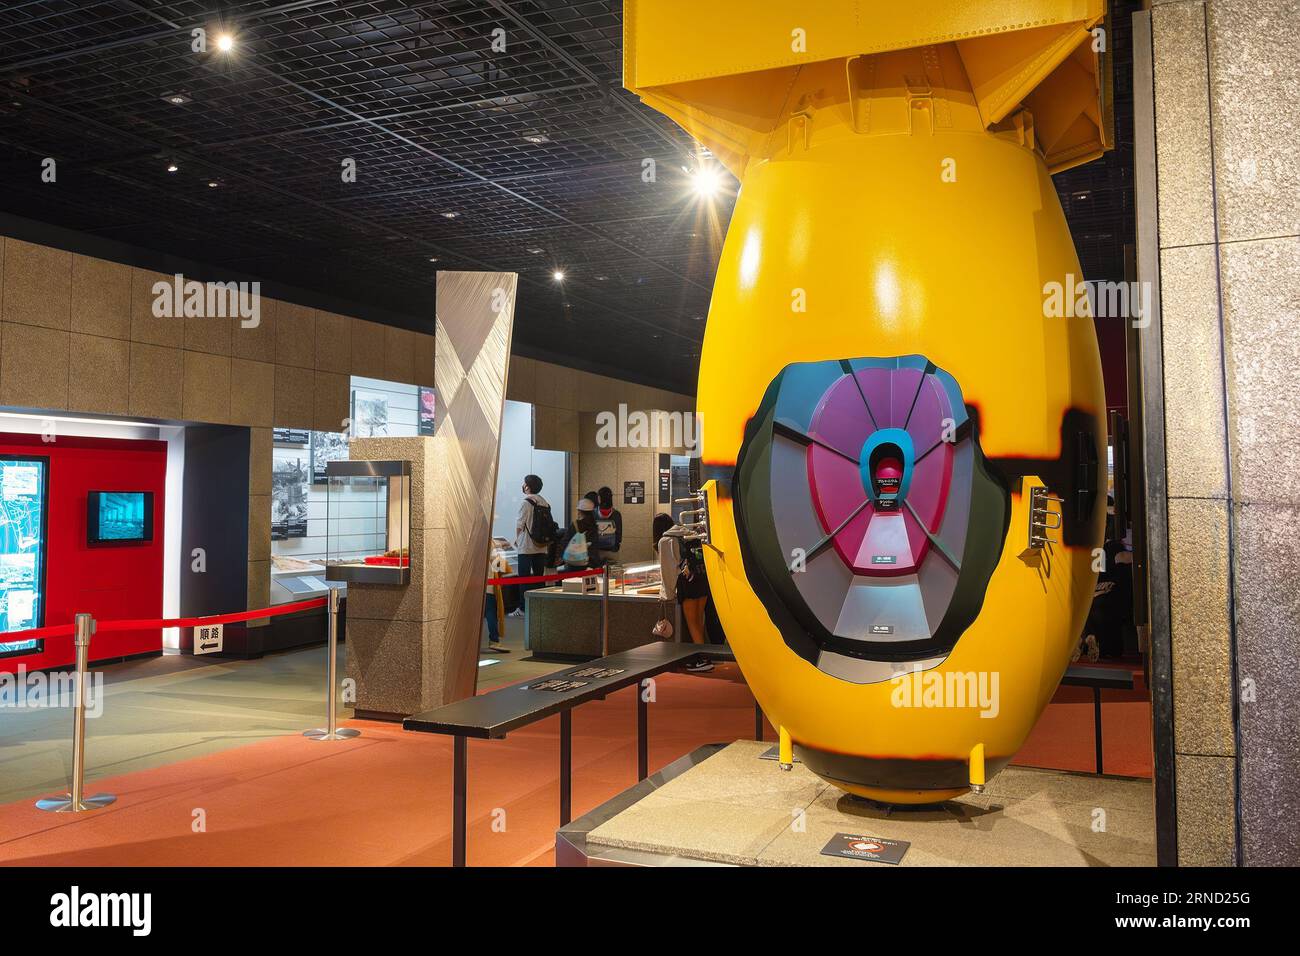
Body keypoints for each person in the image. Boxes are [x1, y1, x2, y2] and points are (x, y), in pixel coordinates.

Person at [657, 517, 713, 672]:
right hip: (702, 578)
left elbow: (667, 570)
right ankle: (704, 655)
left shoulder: (666, 540)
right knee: (699, 621)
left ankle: (702, 659)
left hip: (687, 583)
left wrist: (667, 592)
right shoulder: (690, 533)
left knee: (692, 623)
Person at [513, 474, 556, 617]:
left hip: (526, 546)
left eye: (524, 483)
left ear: (528, 486)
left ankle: (523, 609)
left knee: (524, 579)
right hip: (541, 545)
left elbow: (520, 524)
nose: (523, 485)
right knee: (538, 578)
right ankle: (538, 606)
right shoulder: (545, 502)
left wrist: (517, 539)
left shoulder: (526, 502)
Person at [560, 498, 604, 570]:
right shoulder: (594, 526)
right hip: (591, 562)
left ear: (580, 511)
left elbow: (565, 542)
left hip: (575, 562)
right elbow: (595, 545)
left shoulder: (575, 525)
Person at [484, 543, 512, 653]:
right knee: (491, 612)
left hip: (475, 583)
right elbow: (496, 561)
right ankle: (494, 640)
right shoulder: (489, 541)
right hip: (489, 583)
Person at [595, 486, 623, 555]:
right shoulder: (616, 514)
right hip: (612, 550)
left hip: (597, 551)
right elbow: (619, 535)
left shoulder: (593, 513)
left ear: (600, 498)